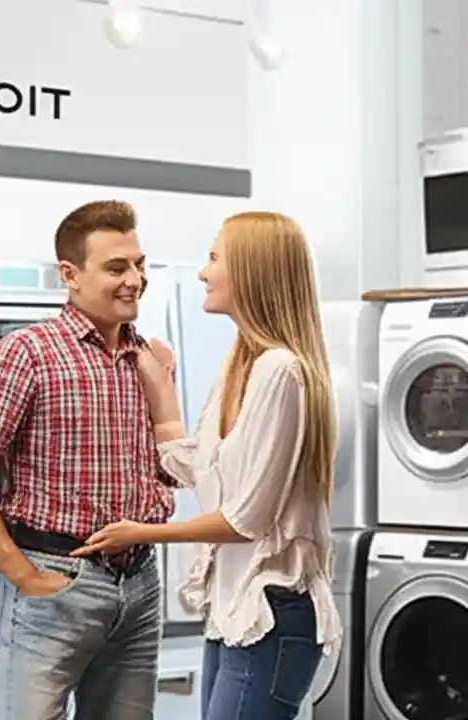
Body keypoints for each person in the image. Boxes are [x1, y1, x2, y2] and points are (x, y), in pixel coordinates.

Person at [73, 211, 341, 719]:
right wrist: (161, 386)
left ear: (252, 270)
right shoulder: (241, 361)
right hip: (235, 609)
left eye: (214, 258)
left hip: (273, 611)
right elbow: (195, 466)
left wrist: (140, 534)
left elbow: (246, 520)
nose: (202, 272)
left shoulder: (280, 371)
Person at [0, 200, 176, 720]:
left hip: (139, 582)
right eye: (116, 268)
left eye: (139, 265)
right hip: (58, 578)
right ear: (70, 275)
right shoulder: (26, 353)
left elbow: (168, 473)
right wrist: (23, 575)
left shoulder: (149, 359)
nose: (134, 280)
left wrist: (167, 394)